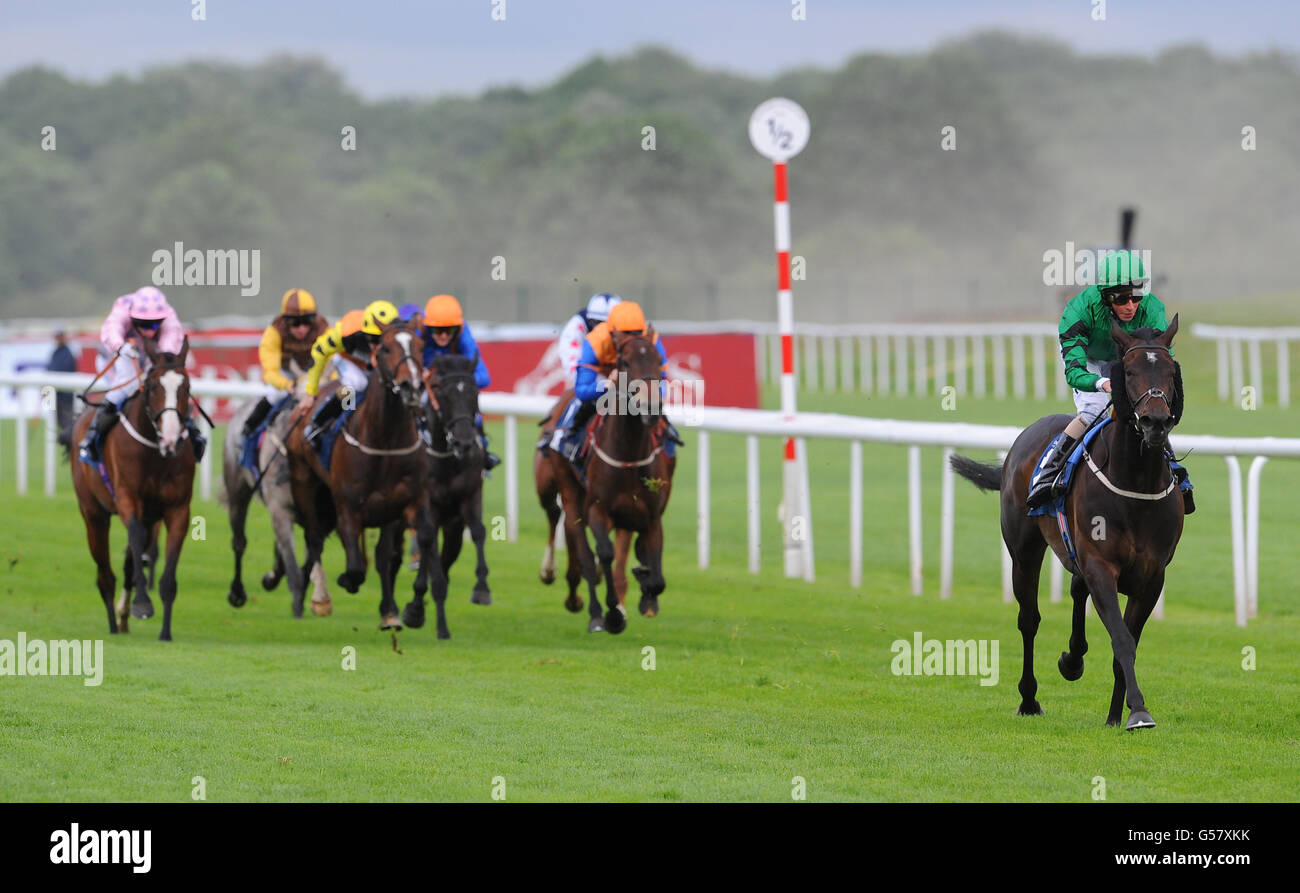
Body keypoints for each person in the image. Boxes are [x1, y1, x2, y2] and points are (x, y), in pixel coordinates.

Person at [1027, 250, 1194, 513]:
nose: (1130, 306)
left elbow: (1163, 361)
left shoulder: (1152, 309)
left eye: (1135, 296)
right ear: (1105, 296)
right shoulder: (1078, 312)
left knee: (1152, 411)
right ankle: (1048, 473)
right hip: (1090, 360)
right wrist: (1102, 384)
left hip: (1129, 359)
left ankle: (1174, 470)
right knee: (1093, 410)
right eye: (1121, 298)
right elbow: (1074, 372)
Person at [78, 286, 205, 462]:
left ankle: (193, 432)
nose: (149, 331)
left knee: (168, 386)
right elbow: (111, 332)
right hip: (115, 356)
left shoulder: (169, 317)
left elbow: (169, 351)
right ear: (132, 317)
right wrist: (121, 347)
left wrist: (162, 365)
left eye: (154, 324)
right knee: (127, 388)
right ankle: (91, 438)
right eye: (142, 324)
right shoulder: (122, 308)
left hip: (149, 357)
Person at [549, 300, 682, 463]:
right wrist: (607, 385)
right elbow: (582, 391)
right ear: (612, 332)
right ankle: (567, 438)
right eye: (625, 333)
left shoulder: (651, 340)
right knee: (581, 405)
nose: (632, 338)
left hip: (637, 382)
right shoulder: (595, 342)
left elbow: (661, 377)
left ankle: (668, 444)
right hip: (603, 379)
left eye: (638, 332)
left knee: (657, 413)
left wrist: (655, 396)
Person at [239, 288, 330, 460]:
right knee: (275, 394)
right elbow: (270, 373)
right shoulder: (274, 332)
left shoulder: (323, 328)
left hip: (317, 373)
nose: (302, 329)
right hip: (287, 374)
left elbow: (333, 362)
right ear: (286, 321)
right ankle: (247, 432)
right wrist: (288, 385)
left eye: (307, 322)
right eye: (295, 323)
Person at [420, 294, 499, 470]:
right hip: (425, 387)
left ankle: (483, 453)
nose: (443, 336)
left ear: (459, 328)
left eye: (449, 330)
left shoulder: (464, 336)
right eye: (437, 330)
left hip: (451, 391)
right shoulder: (419, 333)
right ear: (427, 328)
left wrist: (456, 382)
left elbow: (484, 377)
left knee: (472, 415)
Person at [302, 300, 397, 442]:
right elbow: (319, 352)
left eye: (382, 339)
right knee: (357, 384)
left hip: (373, 364)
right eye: (373, 339)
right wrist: (311, 392)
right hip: (348, 360)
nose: (377, 345)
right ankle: (319, 423)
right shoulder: (344, 333)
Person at [557, 293, 621, 387]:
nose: (604, 330)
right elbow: (573, 367)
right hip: (592, 375)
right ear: (590, 321)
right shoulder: (574, 329)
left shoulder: (629, 328)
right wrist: (602, 383)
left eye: (610, 325)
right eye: (600, 323)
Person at [47, 330, 78, 444]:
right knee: (56, 423)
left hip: (66, 397)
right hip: (54, 396)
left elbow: (64, 372)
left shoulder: (68, 354)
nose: (58, 339)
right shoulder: (55, 352)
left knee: (68, 427)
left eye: (60, 336)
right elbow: (49, 370)